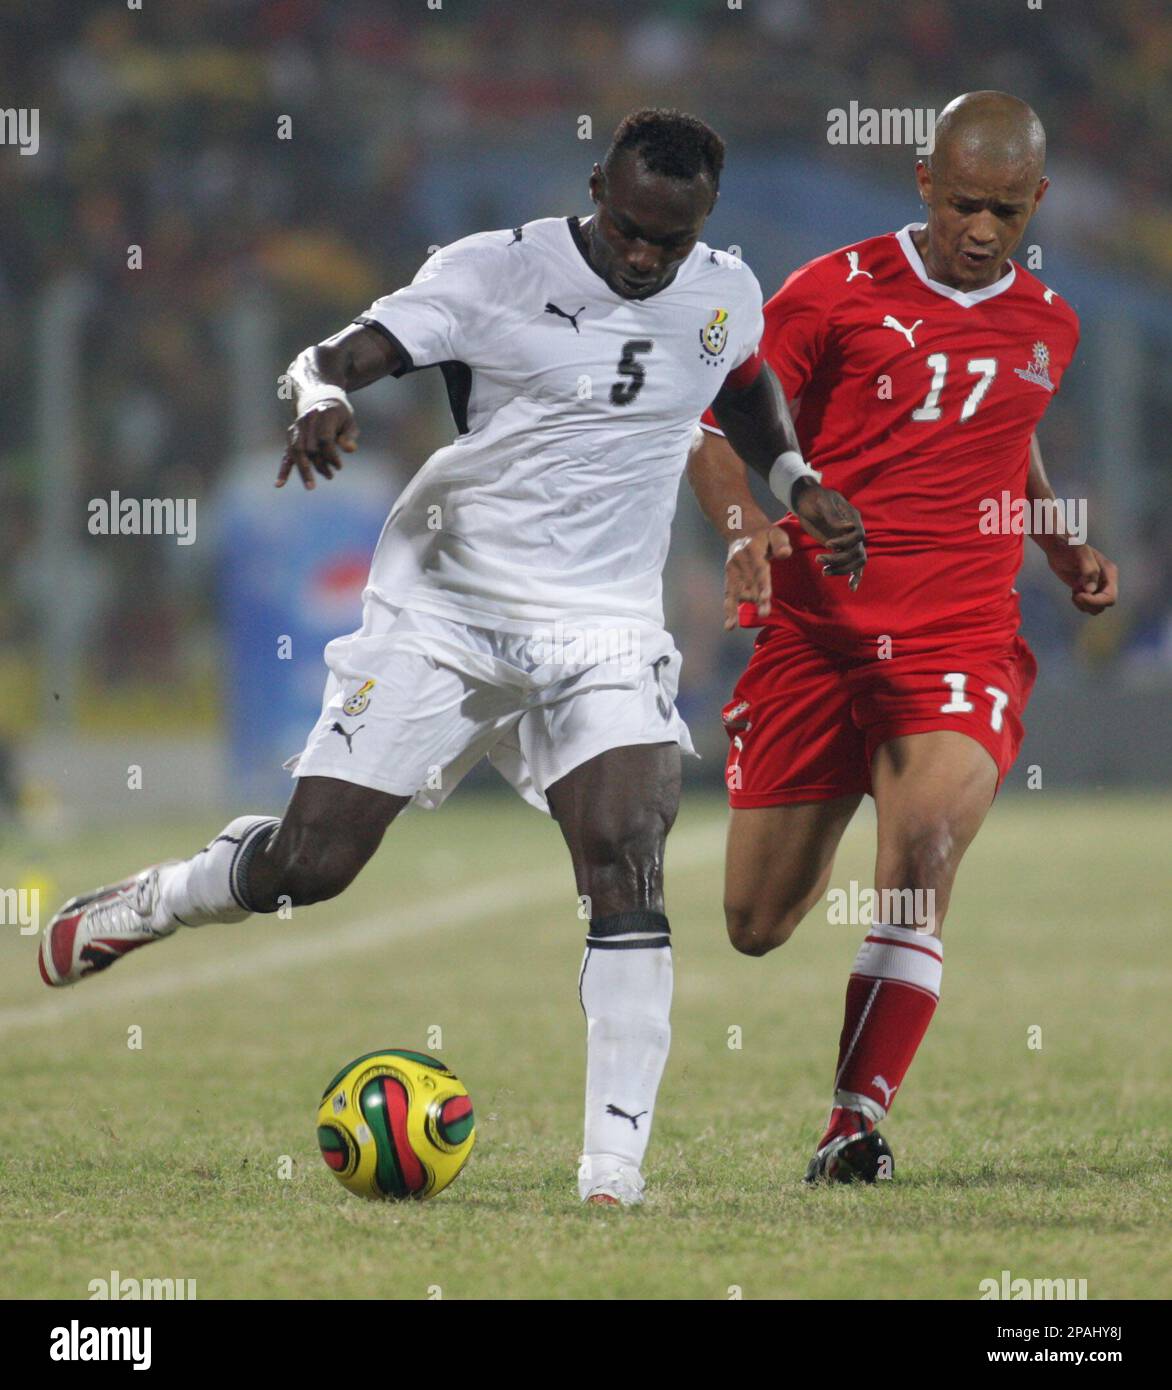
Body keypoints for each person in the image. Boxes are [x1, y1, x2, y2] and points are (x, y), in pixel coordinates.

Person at [39, 109, 863, 1206]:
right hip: (448, 606)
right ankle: (156, 899)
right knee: (311, 865)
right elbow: (329, 357)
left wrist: (796, 480)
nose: (640, 258)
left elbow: (740, 386)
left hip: (602, 625)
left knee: (627, 847)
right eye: (625, 229)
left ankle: (611, 1175)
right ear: (594, 188)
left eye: (666, 242)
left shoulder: (720, 288)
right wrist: (321, 400)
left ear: (701, 223)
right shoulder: (491, 272)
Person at [688, 92, 1118, 1182]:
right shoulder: (826, 296)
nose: (981, 231)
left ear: (1036, 203)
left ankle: (852, 1122)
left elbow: (1002, 445)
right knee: (754, 920)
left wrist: (1058, 544)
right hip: (816, 639)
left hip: (958, 642)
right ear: (921, 182)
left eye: (1006, 213)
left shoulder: (1048, 323)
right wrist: (744, 532)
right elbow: (713, 432)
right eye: (964, 204)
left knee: (920, 856)